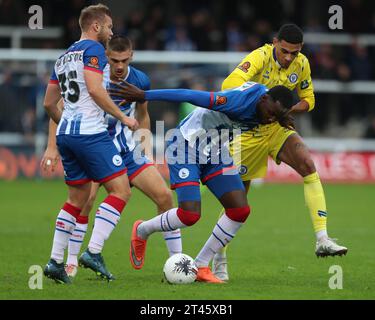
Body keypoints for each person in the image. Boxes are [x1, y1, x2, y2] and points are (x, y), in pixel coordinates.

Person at [110, 80, 295, 283]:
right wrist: (145, 95)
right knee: (189, 215)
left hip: (216, 151)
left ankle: (201, 265)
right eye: (271, 113)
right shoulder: (235, 102)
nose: (271, 119)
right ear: (264, 98)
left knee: (240, 210)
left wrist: (281, 117)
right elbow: (187, 94)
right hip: (185, 145)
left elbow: (280, 109)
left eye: (277, 116)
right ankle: (142, 229)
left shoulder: (269, 108)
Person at [212, 23, 347, 281]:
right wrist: (267, 99)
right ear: (275, 43)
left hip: (277, 129)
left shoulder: (302, 64)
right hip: (248, 133)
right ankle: (219, 256)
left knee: (308, 164)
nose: (288, 58)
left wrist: (288, 110)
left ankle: (322, 239)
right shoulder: (260, 57)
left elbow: (309, 98)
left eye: (294, 53)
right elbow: (230, 83)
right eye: (285, 51)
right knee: (237, 201)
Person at [42, 35, 182, 278]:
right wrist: (51, 147)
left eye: (124, 60)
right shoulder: (93, 75)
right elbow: (63, 107)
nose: (119, 66)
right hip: (95, 147)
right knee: (86, 200)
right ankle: (73, 260)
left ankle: (177, 262)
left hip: (128, 151)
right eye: (114, 60)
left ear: (132, 56)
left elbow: (143, 114)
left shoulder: (140, 80)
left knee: (165, 197)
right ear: (106, 55)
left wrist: (144, 148)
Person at [42, 4, 139, 284]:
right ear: (95, 27)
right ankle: (93, 252)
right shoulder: (94, 50)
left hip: (67, 135)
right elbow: (95, 89)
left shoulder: (62, 58)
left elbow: (48, 103)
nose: (111, 31)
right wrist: (122, 116)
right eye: (108, 26)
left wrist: (67, 126)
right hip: (90, 134)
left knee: (77, 199)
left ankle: (54, 262)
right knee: (121, 191)